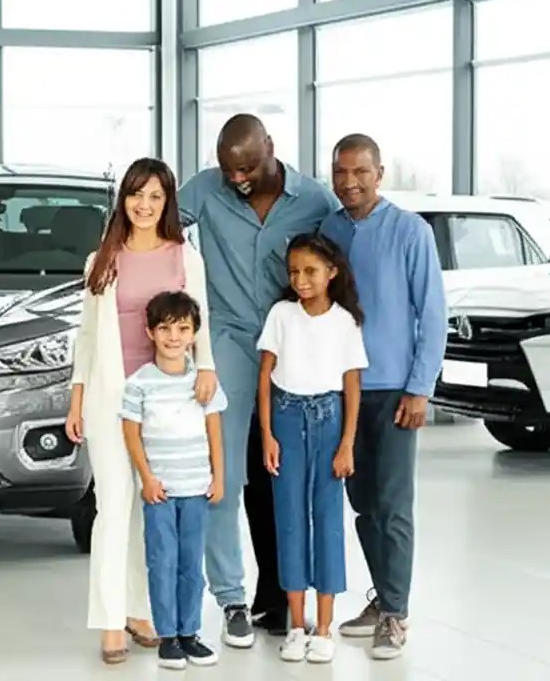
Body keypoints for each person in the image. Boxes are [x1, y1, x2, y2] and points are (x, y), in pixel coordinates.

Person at [177, 113, 339, 645]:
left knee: (289, 480)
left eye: (247, 166)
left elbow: (339, 265)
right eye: (229, 169)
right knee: (222, 478)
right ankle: (230, 599)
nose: (239, 177)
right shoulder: (204, 190)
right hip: (227, 343)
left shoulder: (314, 200)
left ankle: (288, 595)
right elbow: (153, 225)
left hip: (291, 347)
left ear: (270, 147)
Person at [65, 157, 219, 664]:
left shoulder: (184, 257)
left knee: (151, 507)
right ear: (124, 199)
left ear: (168, 201)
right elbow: (86, 338)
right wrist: (77, 396)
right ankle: (111, 620)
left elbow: (203, 325)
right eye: (137, 194)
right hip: (113, 399)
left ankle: (139, 610)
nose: (145, 205)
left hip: (169, 404)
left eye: (156, 196)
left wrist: (206, 369)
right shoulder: (102, 260)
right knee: (114, 507)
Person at [318, 133, 446, 661]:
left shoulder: (410, 232)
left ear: (380, 173)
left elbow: (432, 314)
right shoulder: (327, 231)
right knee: (363, 505)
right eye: (340, 172)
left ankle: (396, 612)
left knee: (393, 506)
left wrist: (420, 388)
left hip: (394, 391)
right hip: (340, 390)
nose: (349, 182)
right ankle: (381, 596)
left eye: (360, 172)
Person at [256, 234, 368, 664]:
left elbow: (351, 386)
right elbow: (265, 376)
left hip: (328, 420)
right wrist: (267, 434)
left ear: (331, 272)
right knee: (289, 521)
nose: (301, 280)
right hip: (285, 419)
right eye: (294, 272)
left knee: (327, 521)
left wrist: (347, 445)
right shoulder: (281, 315)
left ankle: (324, 627)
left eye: (310, 271)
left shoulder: (344, 321)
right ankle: (296, 625)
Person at [119, 290, 227, 670]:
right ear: (150, 333)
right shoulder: (139, 383)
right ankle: (168, 636)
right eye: (164, 328)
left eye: (182, 328)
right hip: (160, 492)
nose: (173, 337)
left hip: (196, 487)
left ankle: (189, 633)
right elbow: (131, 433)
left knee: (190, 563)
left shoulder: (203, 382)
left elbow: (215, 428)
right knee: (162, 560)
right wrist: (146, 478)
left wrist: (219, 476)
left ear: (194, 333)